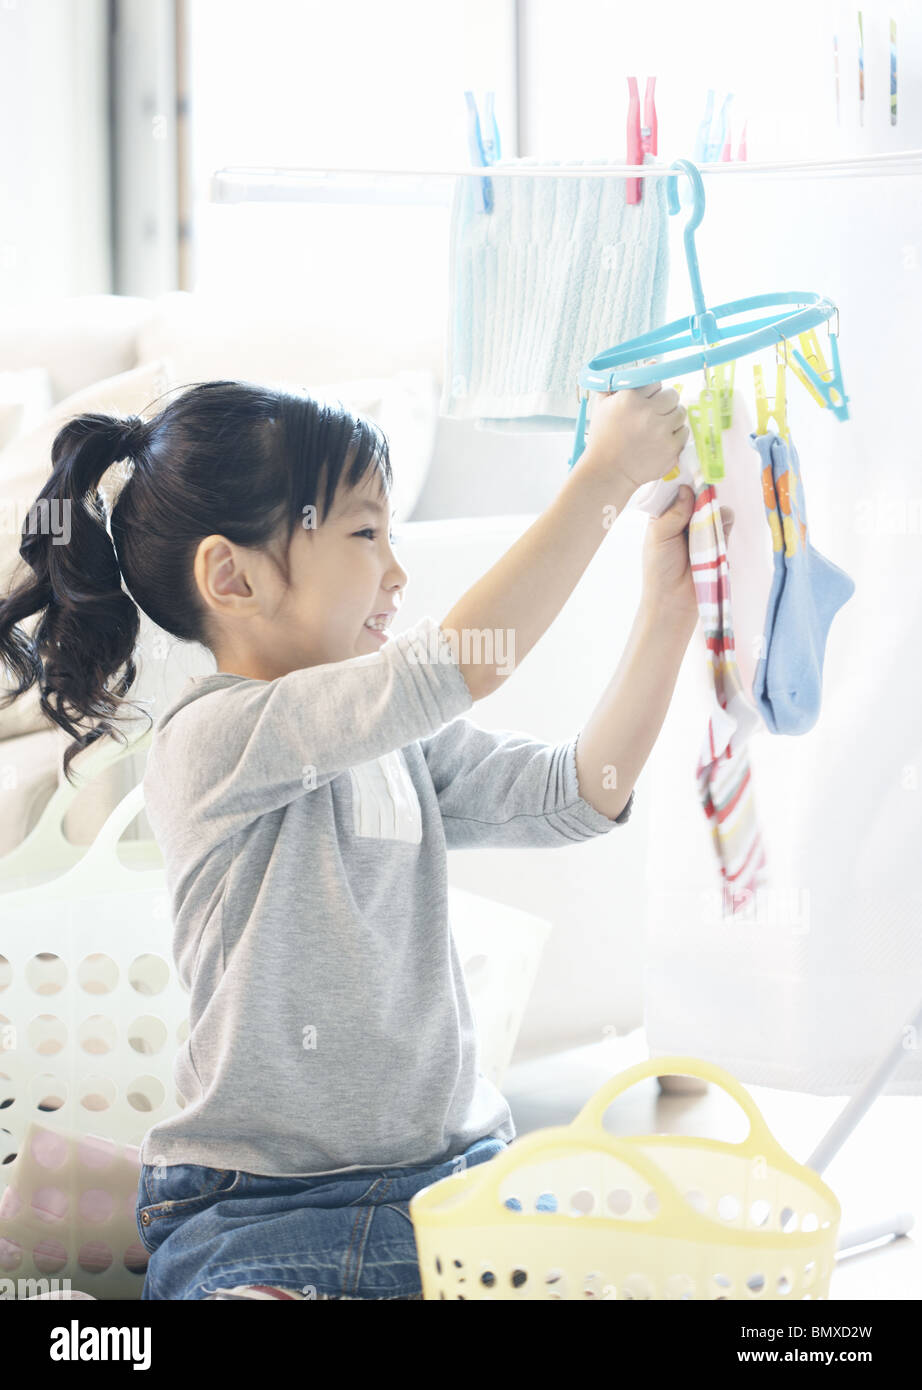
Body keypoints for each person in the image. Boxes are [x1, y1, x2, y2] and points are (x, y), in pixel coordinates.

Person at [0, 377, 726, 1300]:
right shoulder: (212, 738)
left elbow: (579, 793)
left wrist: (667, 615)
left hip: (459, 1196)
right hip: (259, 1212)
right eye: (364, 533)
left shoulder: (398, 740)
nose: (398, 571)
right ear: (234, 577)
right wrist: (603, 477)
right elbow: (455, 668)